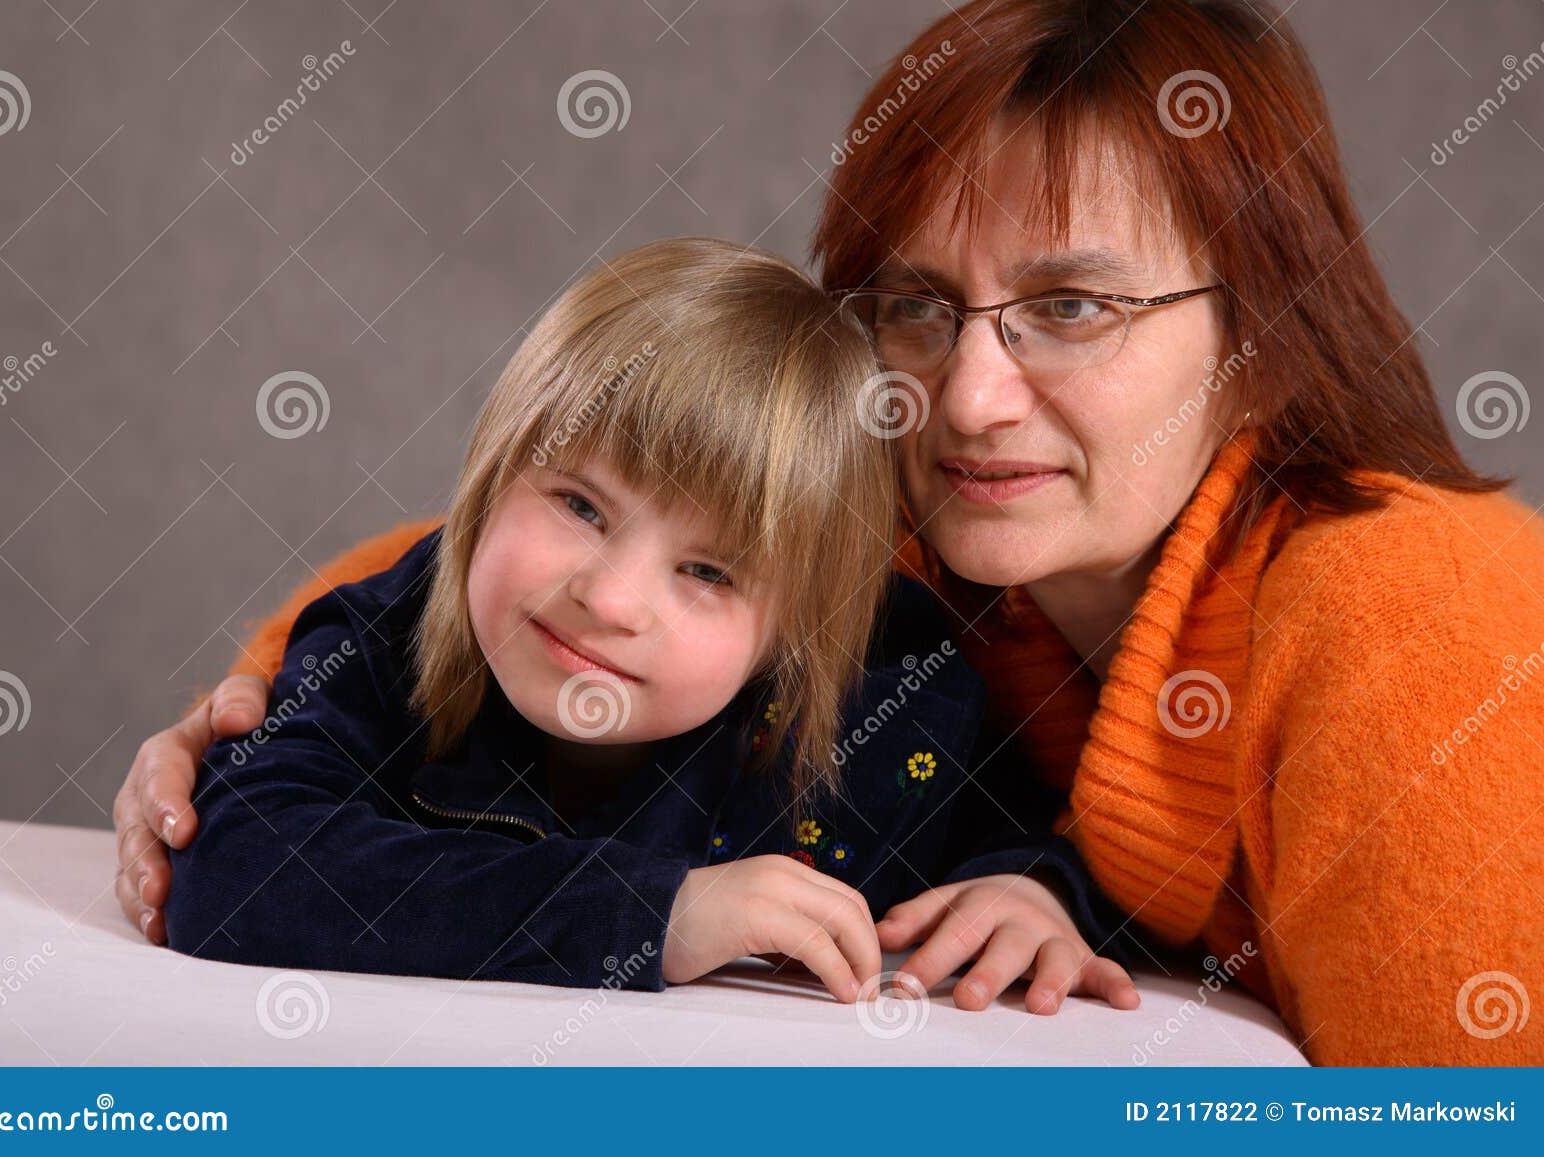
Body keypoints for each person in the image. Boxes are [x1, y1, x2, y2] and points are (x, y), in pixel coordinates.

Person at [119, 0, 1544, 1061]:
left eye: (1070, 306)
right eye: (917, 304)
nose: (969, 397)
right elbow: (507, 551)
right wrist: (244, 710)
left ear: (1263, 338)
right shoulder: (922, 545)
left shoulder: (1417, 616)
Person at [159, 236, 1139, 1010]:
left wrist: (1034, 887)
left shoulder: (887, 703)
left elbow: (1030, 834)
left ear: (796, 631)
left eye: (708, 571)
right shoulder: (389, 634)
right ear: (493, 475)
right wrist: (653, 915)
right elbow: (238, 866)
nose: (611, 599)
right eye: (579, 505)